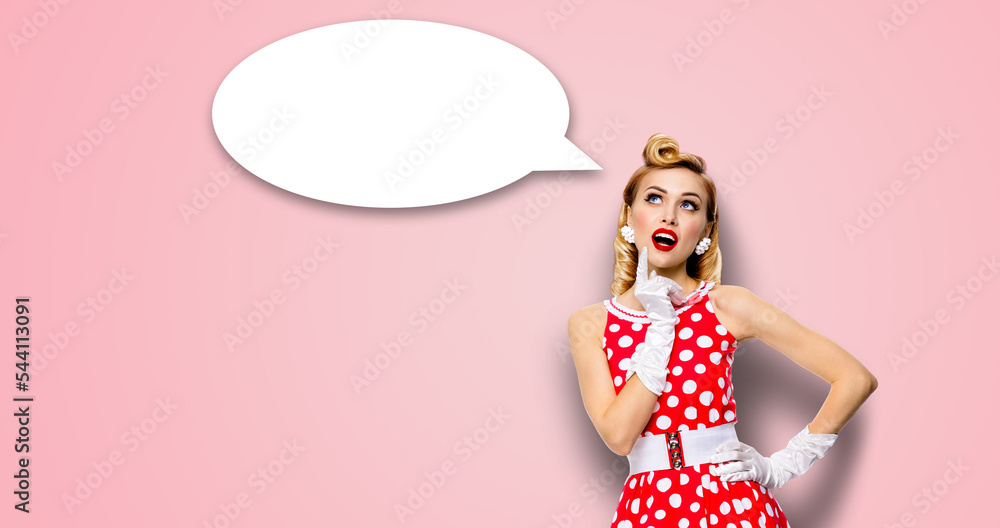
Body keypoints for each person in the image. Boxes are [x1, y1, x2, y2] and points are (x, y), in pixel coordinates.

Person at [567, 134, 878, 527]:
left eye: (688, 205)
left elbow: (855, 378)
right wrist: (661, 325)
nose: (669, 216)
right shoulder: (590, 324)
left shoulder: (728, 306)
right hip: (647, 508)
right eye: (654, 198)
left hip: (732, 502)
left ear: (705, 229)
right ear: (629, 216)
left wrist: (781, 466)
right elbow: (619, 436)